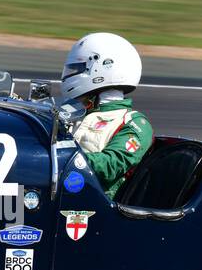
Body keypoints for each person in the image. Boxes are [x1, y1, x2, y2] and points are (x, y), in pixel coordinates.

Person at [59, 32, 153, 200]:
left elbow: (110, 165)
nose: (71, 74)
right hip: (55, 191)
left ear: (101, 70)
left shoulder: (133, 122)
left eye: (77, 69)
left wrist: (56, 160)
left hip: (90, 204)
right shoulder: (70, 111)